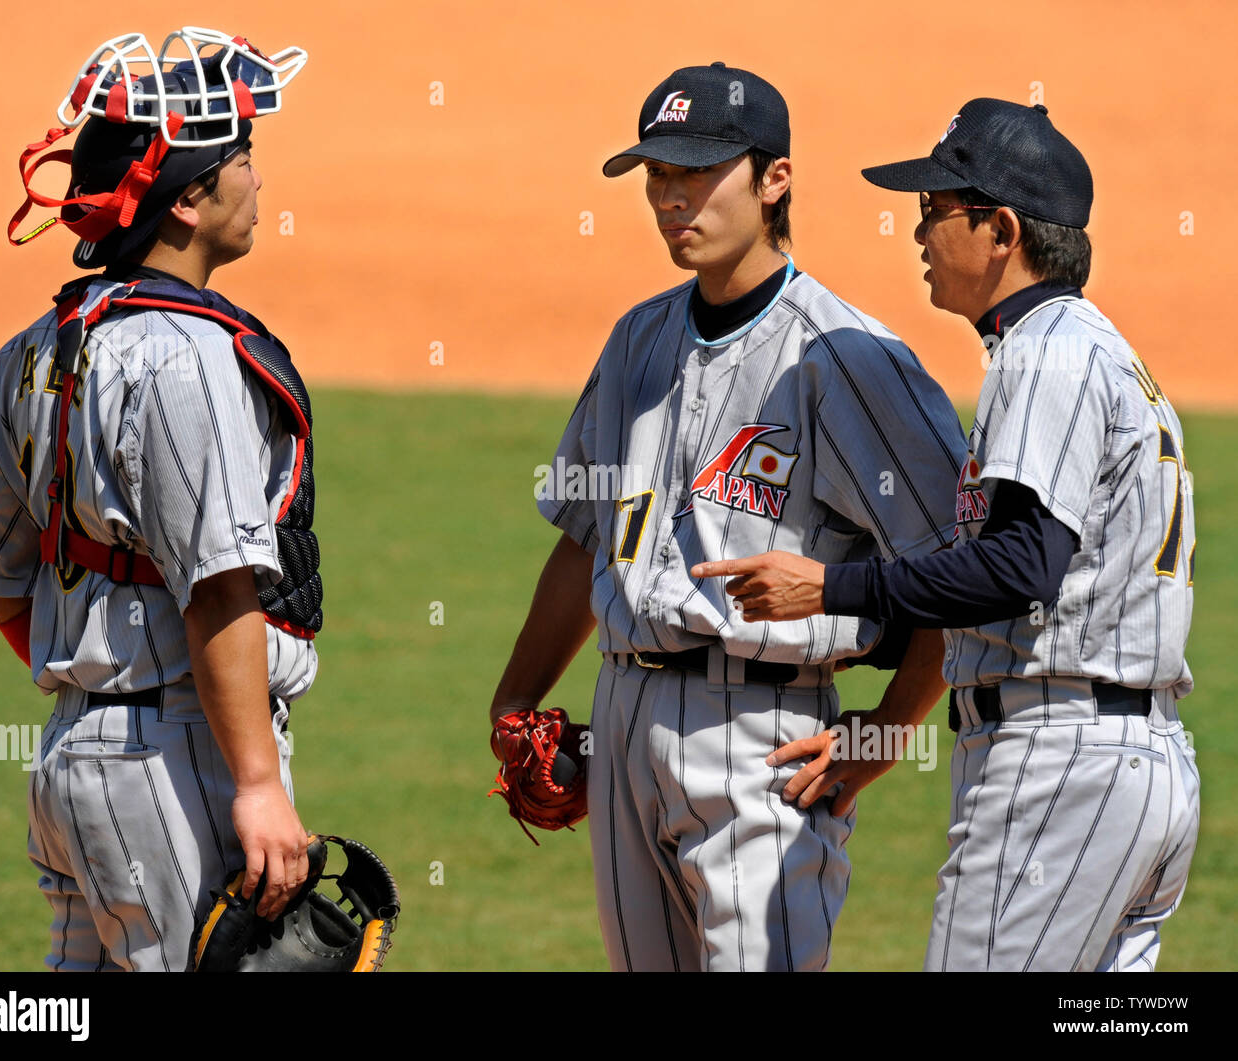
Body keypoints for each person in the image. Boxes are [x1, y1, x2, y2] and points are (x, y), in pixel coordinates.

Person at [693, 98, 1200, 971]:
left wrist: (829, 588)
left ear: (1000, 229)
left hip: (1060, 767)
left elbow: (1020, 567)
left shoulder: (1045, 352)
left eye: (934, 211)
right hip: (1135, 762)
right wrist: (887, 720)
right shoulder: (1099, 351)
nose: (918, 233)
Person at [489, 63, 967, 971]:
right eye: (657, 177)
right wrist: (516, 697)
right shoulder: (637, 337)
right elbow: (585, 536)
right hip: (621, 711)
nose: (673, 199)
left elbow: (960, 565)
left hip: (764, 731)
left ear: (774, 179)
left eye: (697, 174)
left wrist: (882, 733)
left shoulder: (848, 358)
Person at [0, 28, 318, 971]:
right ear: (188, 199)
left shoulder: (31, 348)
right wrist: (255, 782)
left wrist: (93, 687)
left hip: (70, 764)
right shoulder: (185, 354)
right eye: (242, 158)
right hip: (176, 762)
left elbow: (2, 579)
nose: (258, 182)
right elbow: (217, 585)